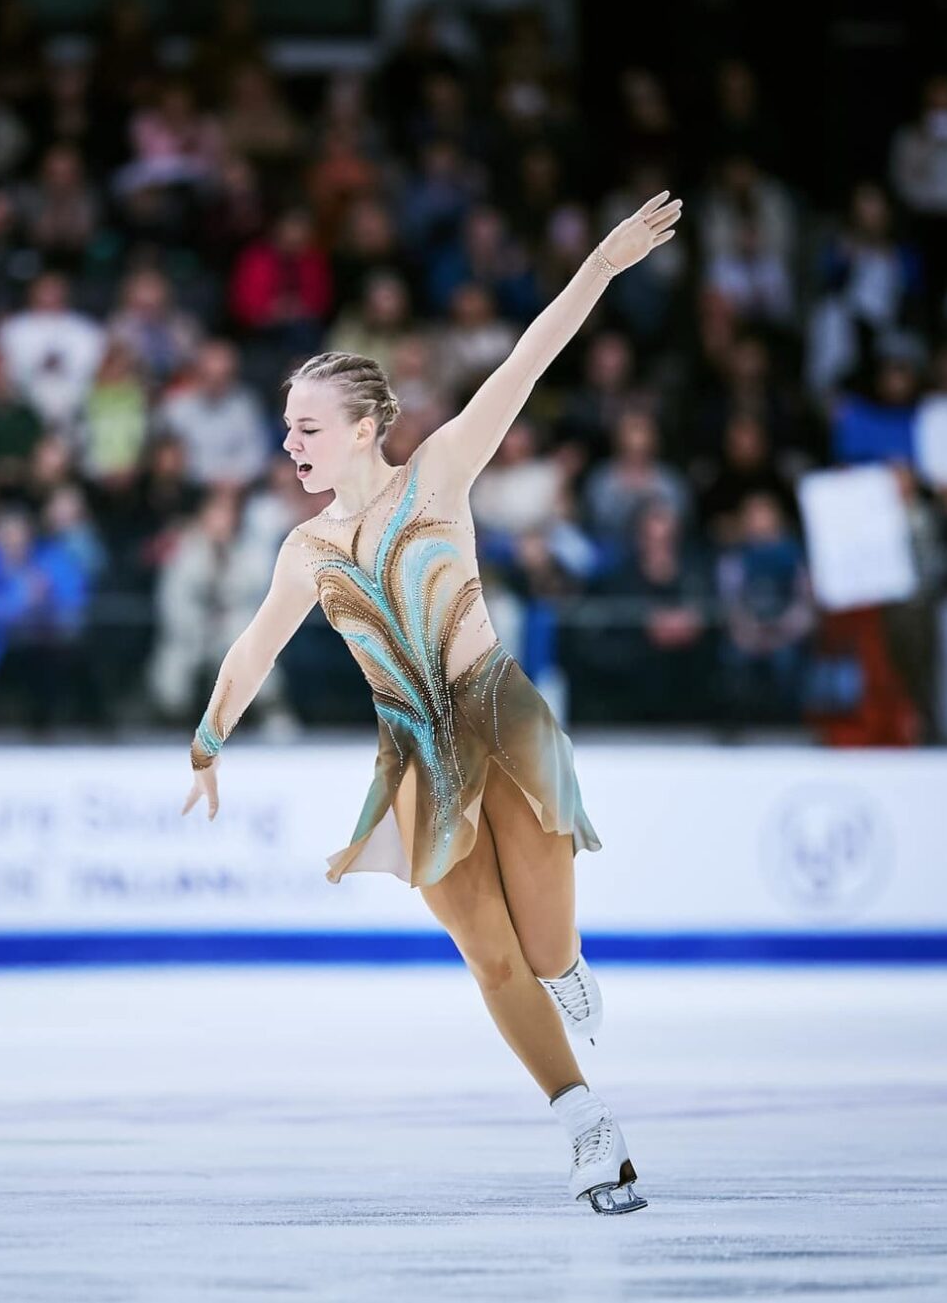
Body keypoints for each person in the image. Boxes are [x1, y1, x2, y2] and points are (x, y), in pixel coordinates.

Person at [181, 190, 682, 1215]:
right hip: (414, 758)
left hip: (500, 718)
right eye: (287, 429)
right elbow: (253, 647)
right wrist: (207, 740)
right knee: (492, 961)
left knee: (545, 951)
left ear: (366, 427)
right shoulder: (305, 549)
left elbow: (529, 360)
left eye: (308, 427)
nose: (290, 444)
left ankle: (570, 968)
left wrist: (599, 264)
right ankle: (587, 1127)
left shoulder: (442, 471)